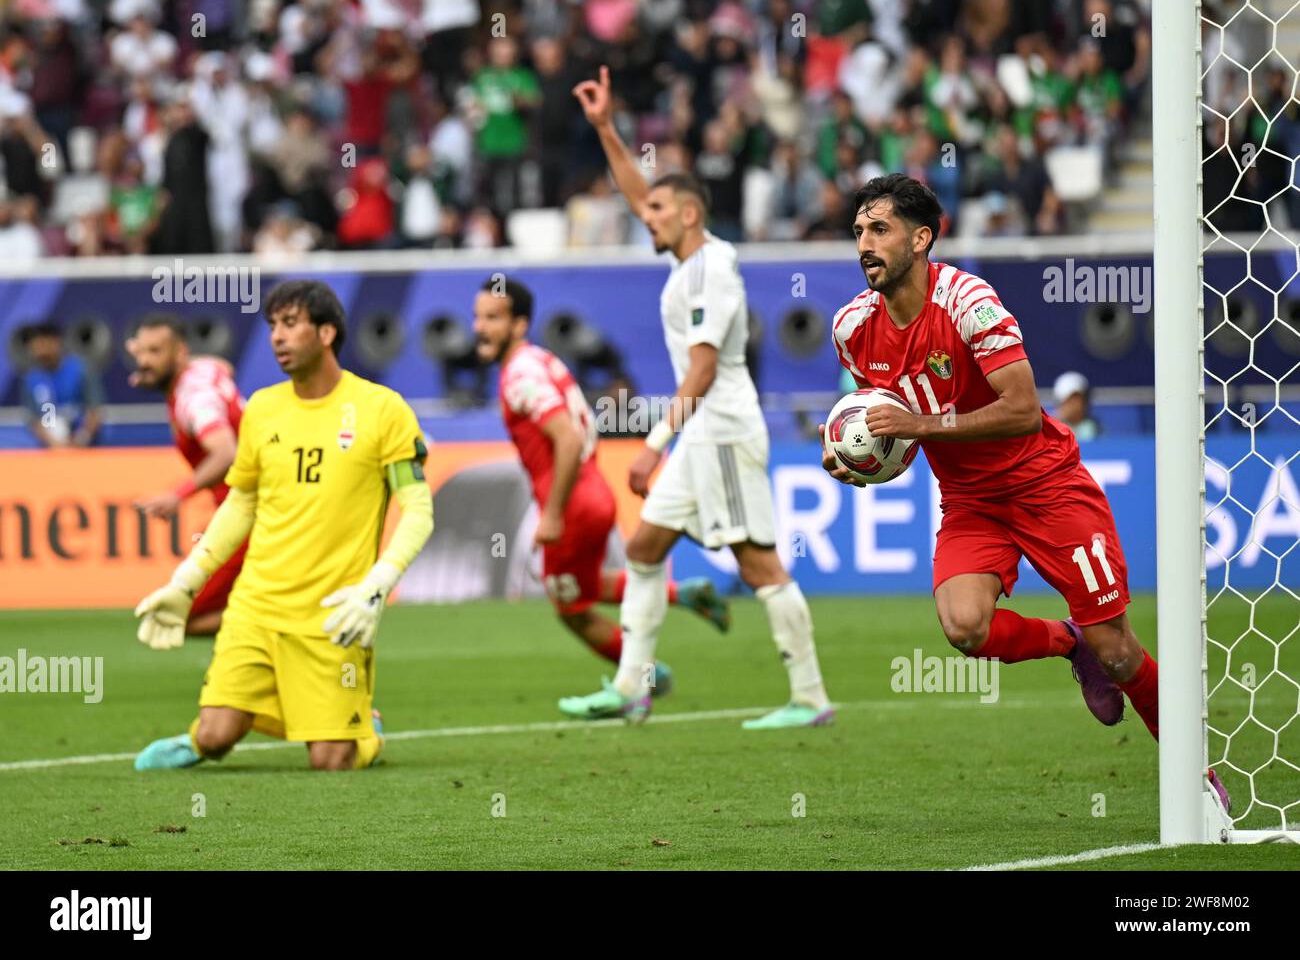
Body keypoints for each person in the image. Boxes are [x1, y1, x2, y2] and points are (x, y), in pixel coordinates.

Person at [825, 173, 1229, 810]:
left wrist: (919, 426)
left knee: (1120, 653)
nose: (865, 245)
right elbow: (887, 423)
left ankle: (1197, 780)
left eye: (880, 230)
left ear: (922, 238)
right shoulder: (851, 329)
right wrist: (863, 460)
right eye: (858, 232)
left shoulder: (969, 302)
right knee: (964, 627)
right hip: (971, 503)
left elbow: (1020, 409)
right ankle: (1069, 642)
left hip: (1047, 485)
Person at [559, 66, 833, 730]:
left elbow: (704, 369)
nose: (641, 217)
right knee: (647, 547)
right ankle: (632, 686)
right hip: (703, 433)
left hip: (724, 427)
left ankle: (810, 697)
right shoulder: (689, 260)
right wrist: (605, 128)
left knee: (757, 560)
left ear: (687, 214)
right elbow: (639, 194)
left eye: (655, 212)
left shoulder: (715, 269)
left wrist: (653, 444)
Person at [132, 281, 434, 772]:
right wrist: (186, 581)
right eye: (272, 325)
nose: (276, 336)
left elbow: (418, 510)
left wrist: (376, 588)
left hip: (332, 614)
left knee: (332, 762)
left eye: (290, 324)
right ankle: (202, 740)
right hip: (257, 606)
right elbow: (240, 504)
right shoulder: (262, 411)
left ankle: (364, 730)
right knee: (214, 737)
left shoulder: (384, 410)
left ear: (327, 332)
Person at [472, 276, 730, 694]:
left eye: (492, 318)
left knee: (570, 608)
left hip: (572, 501)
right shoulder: (542, 360)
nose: (480, 328)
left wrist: (552, 514)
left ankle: (643, 677)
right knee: (587, 584)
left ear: (519, 325)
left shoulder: (520, 375)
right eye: (478, 317)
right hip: (594, 490)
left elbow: (568, 439)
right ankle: (681, 595)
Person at [126, 314, 247, 637]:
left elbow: (225, 451)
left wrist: (174, 496)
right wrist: (159, 366)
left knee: (180, 616)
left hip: (252, 513)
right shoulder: (203, 371)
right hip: (245, 509)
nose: (145, 361)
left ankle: (287, 617)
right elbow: (224, 366)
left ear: (179, 352)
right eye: (141, 352)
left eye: (155, 352)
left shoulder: (193, 400)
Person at [18, 322, 102, 449]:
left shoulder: (80, 369)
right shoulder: (32, 379)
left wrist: (82, 438)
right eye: (35, 345)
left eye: (42, 343)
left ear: (56, 342)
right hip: (51, 452)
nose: (38, 349)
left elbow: (94, 411)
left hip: (86, 449)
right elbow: (33, 420)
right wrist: (55, 443)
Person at [1052, 370, 1100, 441]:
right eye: (1070, 400)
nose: (1076, 404)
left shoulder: (1094, 428)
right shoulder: (1051, 429)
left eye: (1078, 399)